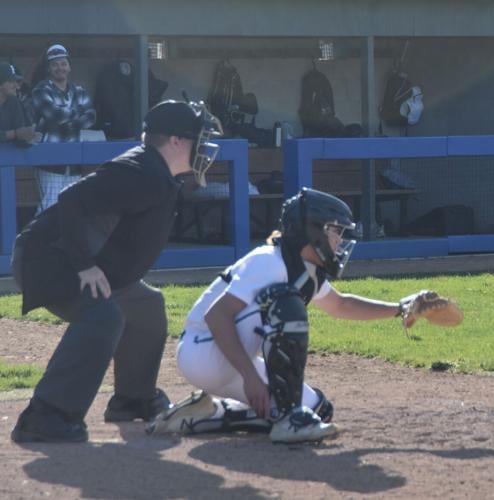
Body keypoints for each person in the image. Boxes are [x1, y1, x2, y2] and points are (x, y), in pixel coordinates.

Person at [10, 99, 224, 443]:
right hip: (48, 261)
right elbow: (71, 200)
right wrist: (85, 265)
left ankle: (131, 399)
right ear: (175, 142)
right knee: (103, 316)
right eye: (197, 138)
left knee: (146, 307)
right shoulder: (139, 171)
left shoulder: (157, 172)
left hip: (72, 261)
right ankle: (46, 415)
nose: (204, 147)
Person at [147, 188, 421, 443]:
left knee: (318, 410)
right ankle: (288, 418)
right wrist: (250, 377)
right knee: (286, 302)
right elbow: (216, 316)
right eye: (334, 230)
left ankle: (209, 414)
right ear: (312, 230)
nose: (339, 240)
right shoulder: (269, 261)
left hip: (228, 358)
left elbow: (341, 305)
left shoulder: (302, 267)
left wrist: (400, 308)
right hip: (204, 351)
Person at [29, 44, 97, 212]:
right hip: (49, 160)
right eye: (55, 64)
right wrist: (78, 113)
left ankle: (62, 240)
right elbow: (55, 116)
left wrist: (66, 119)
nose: (60, 68)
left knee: (71, 207)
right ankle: (37, 239)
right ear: (48, 68)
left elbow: (92, 116)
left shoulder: (78, 90)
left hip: (73, 162)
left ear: (69, 67)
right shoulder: (41, 89)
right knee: (50, 207)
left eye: (63, 64)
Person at [0, 62, 36, 146]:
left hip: (10, 155)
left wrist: (28, 135)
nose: (17, 86)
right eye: (11, 81)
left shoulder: (14, 102)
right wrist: (14, 134)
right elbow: (17, 133)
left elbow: (20, 132)